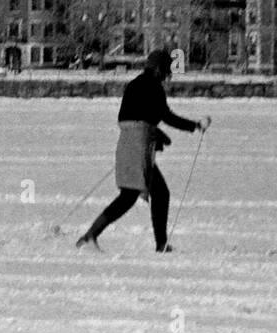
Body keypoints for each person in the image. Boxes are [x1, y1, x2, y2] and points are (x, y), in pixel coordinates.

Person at [76, 49, 209, 253]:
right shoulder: (154, 87)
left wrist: (154, 132)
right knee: (139, 195)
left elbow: (135, 117)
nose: (168, 75)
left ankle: (158, 244)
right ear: (158, 69)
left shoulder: (135, 84)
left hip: (128, 142)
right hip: (139, 145)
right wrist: (195, 125)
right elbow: (165, 116)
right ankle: (91, 236)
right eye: (166, 71)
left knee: (144, 194)